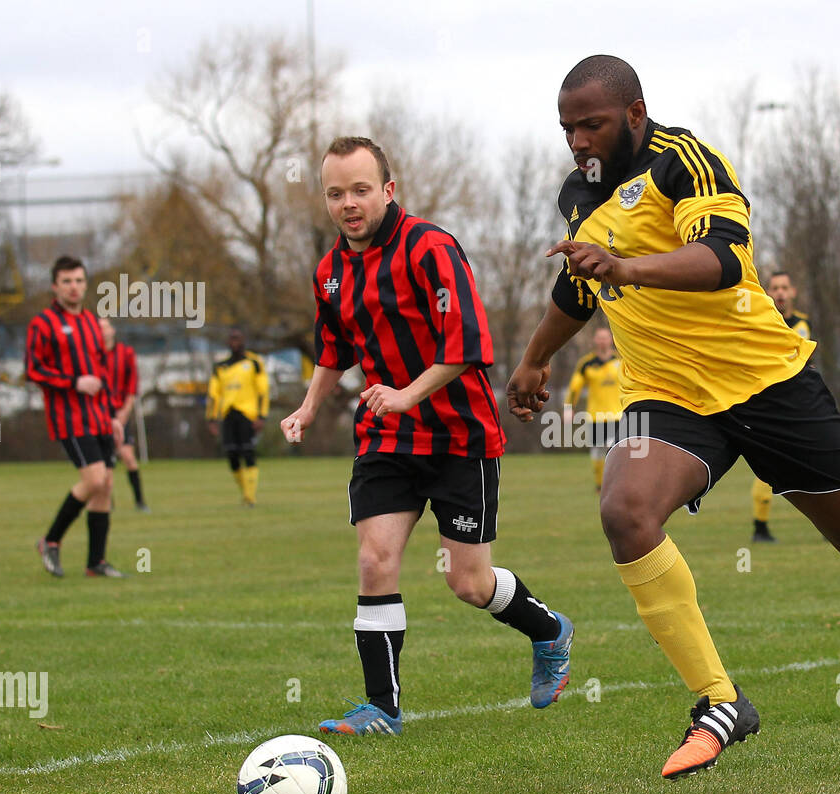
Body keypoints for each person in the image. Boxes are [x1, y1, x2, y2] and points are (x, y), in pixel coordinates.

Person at [507, 55, 840, 779]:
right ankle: (720, 701)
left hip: (770, 386)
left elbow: (723, 258)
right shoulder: (577, 197)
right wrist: (535, 358)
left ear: (635, 113)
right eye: (567, 128)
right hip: (671, 398)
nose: (578, 140)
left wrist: (625, 265)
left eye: (593, 124)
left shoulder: (686, 162)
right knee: (626, 509)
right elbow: (578, 285)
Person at [280, 136, 574, 736]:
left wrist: (407, 394)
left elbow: (468, 347)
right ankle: (381, 709)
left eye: (361, 190)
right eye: (336, 194)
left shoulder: (431, 248)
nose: (349, 204)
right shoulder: (330, 272)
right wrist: (308, 407)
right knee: (374, 560)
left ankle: (549, 630)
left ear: (388, 191)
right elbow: (333, 350)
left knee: (467, 582)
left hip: (459, 436)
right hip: (386, 440)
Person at [27, 255, 127, 578]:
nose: (74, 287)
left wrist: (112, 414)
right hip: (69, 417)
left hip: (98, 415)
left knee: (107, 484)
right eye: (67, 281)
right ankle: (51, 540)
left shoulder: (90, 322)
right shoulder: (42, 324)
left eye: (79, 281)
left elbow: (100, 371)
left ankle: (95, 563)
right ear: (55, 286)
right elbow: (33, 369)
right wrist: (73, 382)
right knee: (94, 480)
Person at [749, 271, 812, 543]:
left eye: (785, 287)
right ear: (768, 291)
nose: (781, 293)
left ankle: (835, 523)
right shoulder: (758, 320)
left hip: (799, 405)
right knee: (769, 466)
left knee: (815, 462)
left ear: (793, 292)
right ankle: (759, 528)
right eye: (775, 288)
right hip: (769, 406)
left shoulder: (802, 325)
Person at [206, 329, 268, 506]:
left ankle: (250, 497)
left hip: (247, 414)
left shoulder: (254, 363)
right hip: (228, 414)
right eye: (231, 339)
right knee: (232, 455)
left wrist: (262, 415)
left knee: (248, 452)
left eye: (237, 339)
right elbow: (213, 394)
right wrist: (211, 418)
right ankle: (245, 492)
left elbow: (263, 390)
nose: (234, 342)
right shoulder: (220, 367)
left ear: (243, 341)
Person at [98, 315, 148, 512]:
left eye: (106, 327)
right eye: (99, 328)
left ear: (113, 330)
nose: (103, 331)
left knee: (127, 456)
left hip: (120, 412)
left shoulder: (125, 353)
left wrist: (124, 413)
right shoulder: (92, 355)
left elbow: (132, 387)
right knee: (104, 464)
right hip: (99, 413)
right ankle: (108, 504)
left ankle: (140, 501)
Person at [563, 325, 621, 490]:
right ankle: (600, 486)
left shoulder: (620, 361)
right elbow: (575, 387)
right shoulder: (586, 364)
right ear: (595, 341)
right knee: (597, 453)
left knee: (616, 452)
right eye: (599, 338)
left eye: (605, 337)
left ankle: (615, 485)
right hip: (595, 416)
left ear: (611, 339)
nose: (603, 341)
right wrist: (568, 408)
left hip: (617, 416)